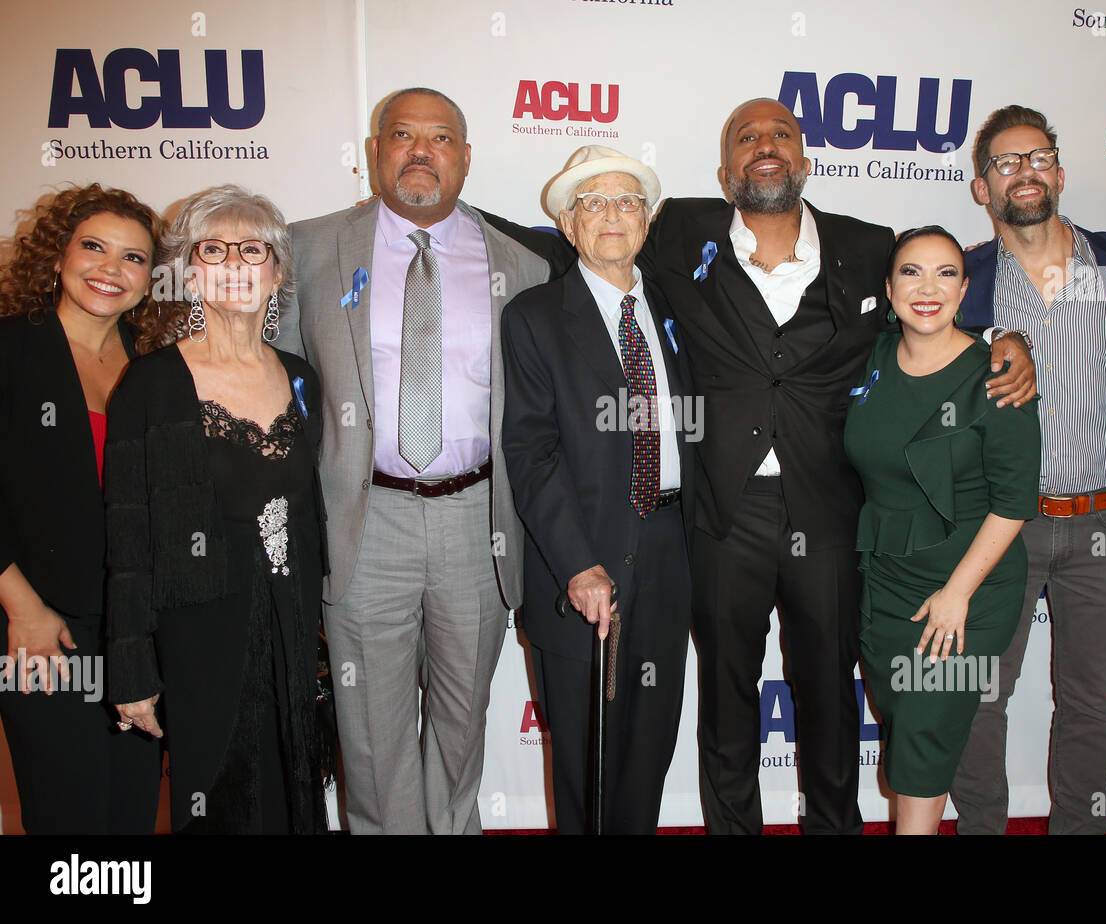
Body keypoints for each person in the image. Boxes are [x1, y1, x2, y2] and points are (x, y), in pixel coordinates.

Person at [637, 98, 1035, 834]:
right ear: (725, 173)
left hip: (830, 515)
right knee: (727, 702)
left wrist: (1007, 336)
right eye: (747, 137)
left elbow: (928, 304)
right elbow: (579, 247)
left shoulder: (869, 245)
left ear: (806, 161)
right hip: (723, 515)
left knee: (827, 695)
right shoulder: (673, 234)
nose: (766, 146)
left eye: (781, 134)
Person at [276, 87, 555, 834]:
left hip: (480, 522)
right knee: (370, 733)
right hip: (365, 520)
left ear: (465, 158)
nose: (421, 151)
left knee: (463, 723)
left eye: (440, 138)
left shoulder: (523, 266)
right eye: (403, 134)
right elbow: (272, 385)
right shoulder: (306, 249)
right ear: (376, 152)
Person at [950, 106, 1106, 835]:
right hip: (999, 529)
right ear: (983, 188)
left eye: (1037, 156)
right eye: (1006, 163)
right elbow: (907, 357)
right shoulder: (962, 281)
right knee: (979, 696)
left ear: (1061, 172)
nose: (1025, 172)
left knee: (1089, 699)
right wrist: (990, 334)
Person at [108, 185, 328, 834]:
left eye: (252, 249)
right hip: (200, 631)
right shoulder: (151, 384)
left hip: (290, 628)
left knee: (294, 790)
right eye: (212, 249)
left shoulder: (300, 377)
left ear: (278, 271)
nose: (234, 264)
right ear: (186, 270)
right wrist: (131, 668)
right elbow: (127, 537)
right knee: (215, 798)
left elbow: (308, 513)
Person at [502, 146, 695, 834]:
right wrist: (577, 563)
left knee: (648, 749)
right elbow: (530, 451)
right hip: (580, 560)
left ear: (647, 219)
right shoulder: (534, 317)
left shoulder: (678, 308)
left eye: (627, 201)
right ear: (566, 224)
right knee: (587, 759)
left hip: (672, 551)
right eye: (593, 203)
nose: (612, 215)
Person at [847, 226, 1041, 835]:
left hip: (967, 592)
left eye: (946, 274)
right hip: (884, 582)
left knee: (925, 742)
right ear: (888, 287)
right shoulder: (872, 357)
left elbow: (1013, 503)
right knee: (905, 729)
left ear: (965, 289)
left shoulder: (1000, 377)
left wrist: (957, 593)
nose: (928, 288)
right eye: (911, 272)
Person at [0, 184, 168, 834]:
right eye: (93, 247)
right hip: (41, 629)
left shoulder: (154, 367)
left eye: (132, 257)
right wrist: (21, 606)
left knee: (129, 812)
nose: (109, 268)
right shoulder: (12, 349)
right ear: (56, 255)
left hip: (135, 630)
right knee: (71, 815)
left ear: (149, 279)